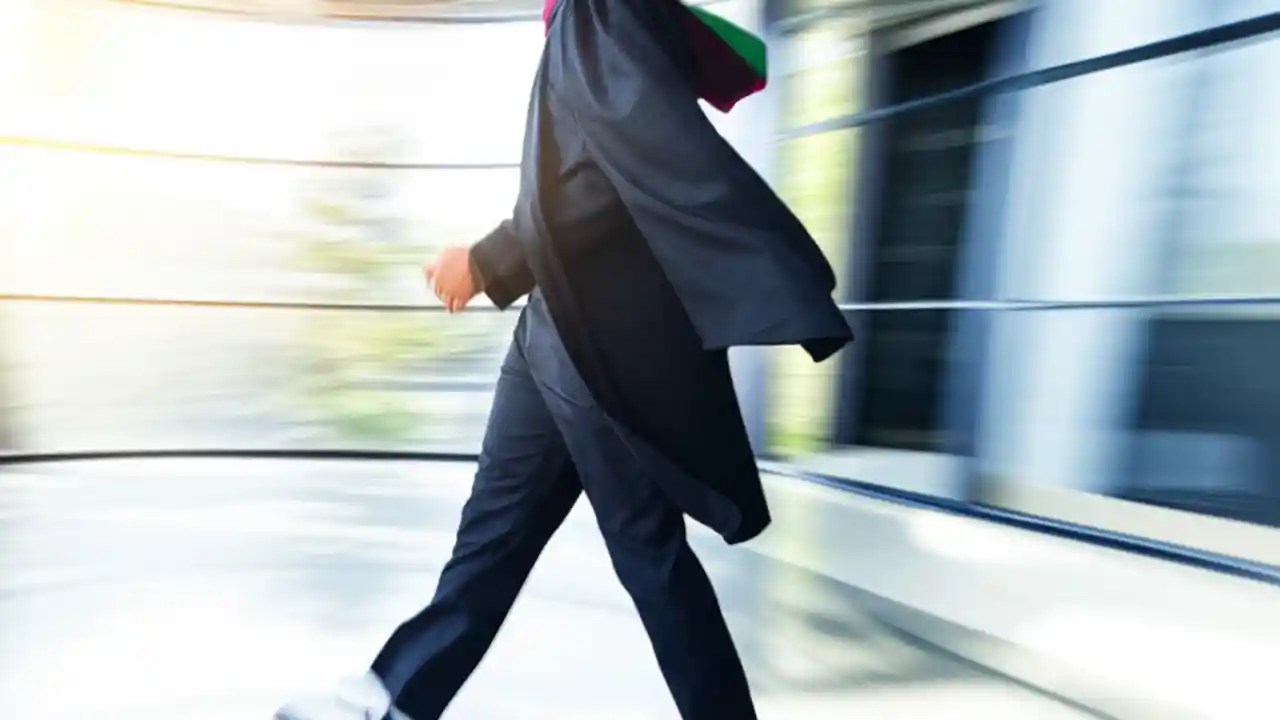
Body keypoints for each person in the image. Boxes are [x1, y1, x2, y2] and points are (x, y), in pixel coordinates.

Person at [275, 0, 850, 718]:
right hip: (557, 322)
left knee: (650, 557)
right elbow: (585, 167)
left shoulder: (603, 11)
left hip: (597, 334)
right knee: (494, 538)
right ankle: (393, 698)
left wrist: (485, 262)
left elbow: (598, 181)